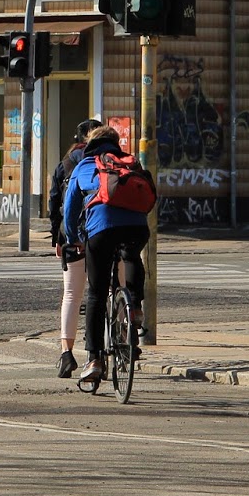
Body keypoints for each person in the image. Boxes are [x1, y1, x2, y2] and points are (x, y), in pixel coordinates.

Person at [62, 123, 150, 386]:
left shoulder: (85, 165)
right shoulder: (130, 163)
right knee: (132, 256)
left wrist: (72, 238)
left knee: (97, 294)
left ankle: (94, 360)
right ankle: (134, 306)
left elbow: (70, 208)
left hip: (101, 229)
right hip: (137, 226)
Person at [48, 118, 101, 378]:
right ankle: (123, 337)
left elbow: (55, 202)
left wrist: (58, 238)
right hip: (108, 232)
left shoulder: (67, 163)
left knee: (71, 294)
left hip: (74, 236)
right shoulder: (114, 160)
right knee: (111, 291)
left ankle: (66, 355)